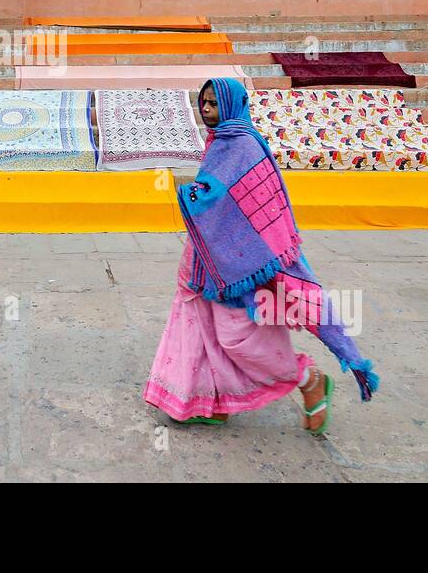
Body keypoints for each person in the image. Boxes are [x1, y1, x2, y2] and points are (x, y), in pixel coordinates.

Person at [144, 77, 378, 433]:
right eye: (203, 103)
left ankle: (308, 377)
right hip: (207, 263)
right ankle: (212, 401)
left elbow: (242, 205)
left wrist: (189, 194)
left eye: (213, 103)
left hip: (238, 267)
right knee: (199, 328)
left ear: (233, 104)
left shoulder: (242, 146)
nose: (206, 110)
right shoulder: (221, 142)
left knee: (236, 337)